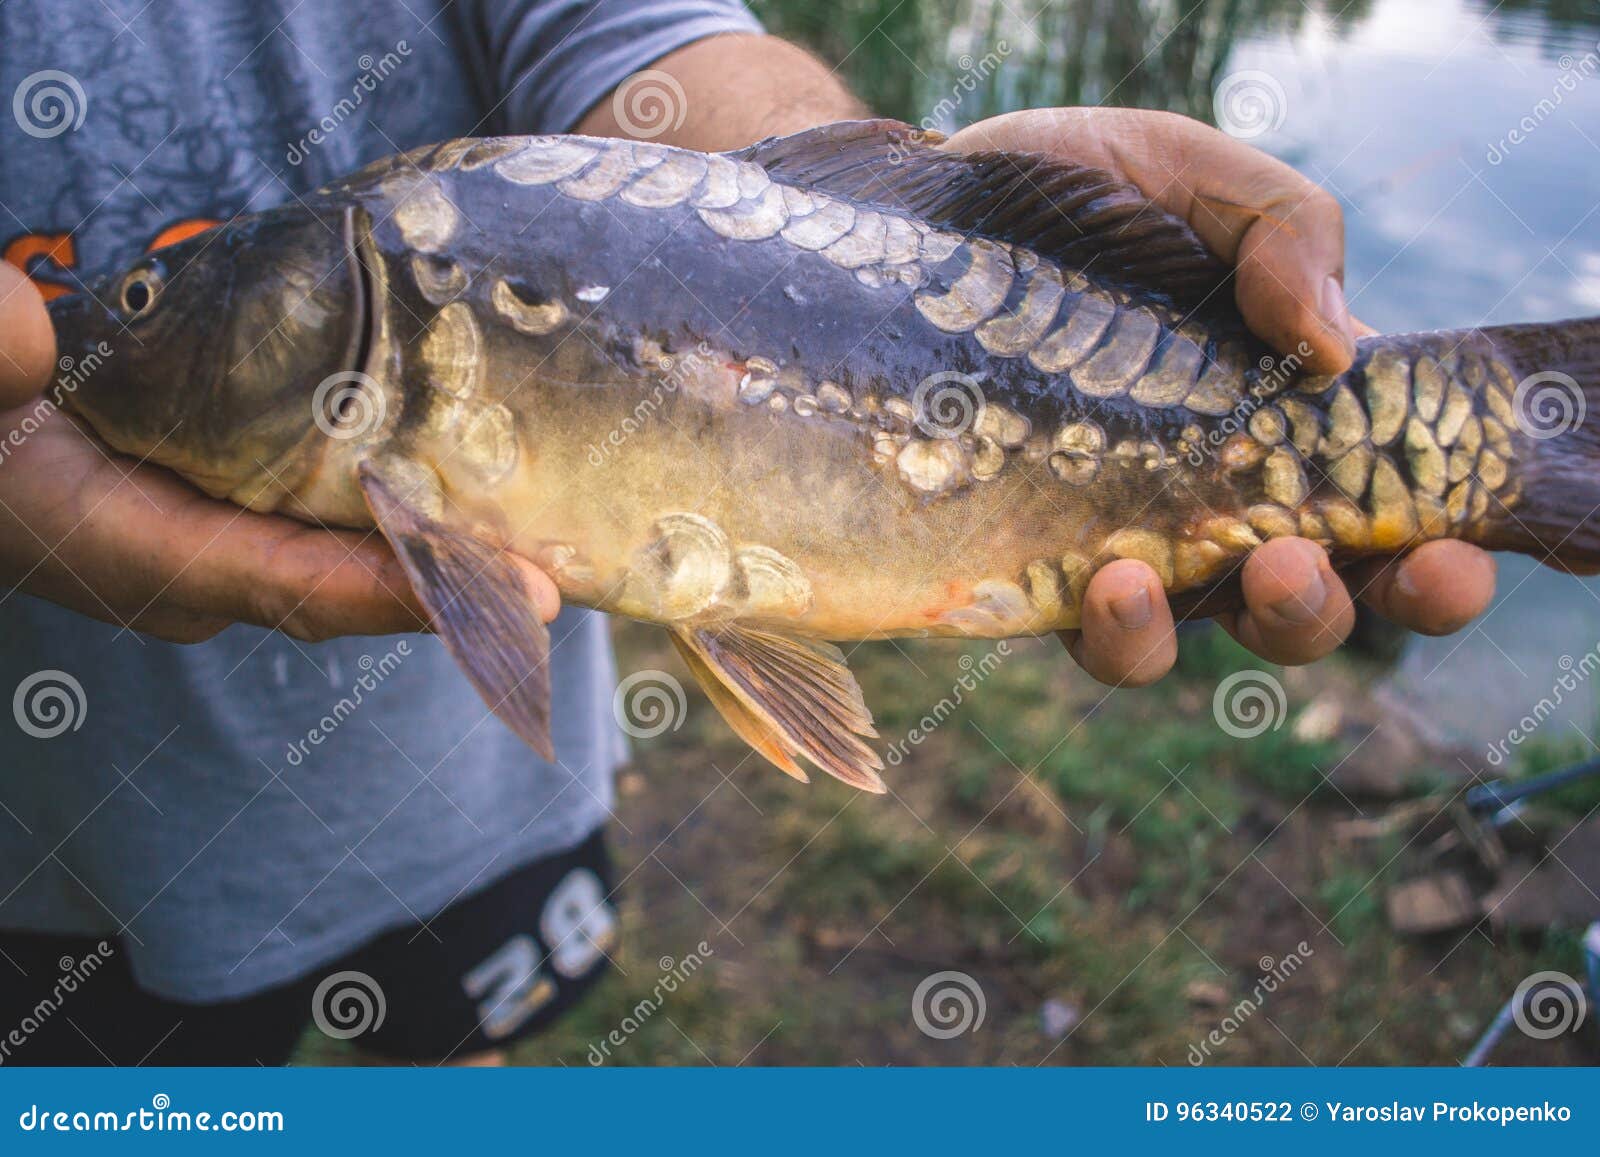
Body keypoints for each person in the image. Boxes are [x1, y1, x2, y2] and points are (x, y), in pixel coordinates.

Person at [0, 0, 1498, 1065]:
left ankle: (1496, 442)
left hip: (470, 835)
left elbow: (649, 50)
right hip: (57, 857)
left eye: (142, 308)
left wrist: (906, 188)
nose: (107, 341)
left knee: (457, 1049)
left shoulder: (400, 274)